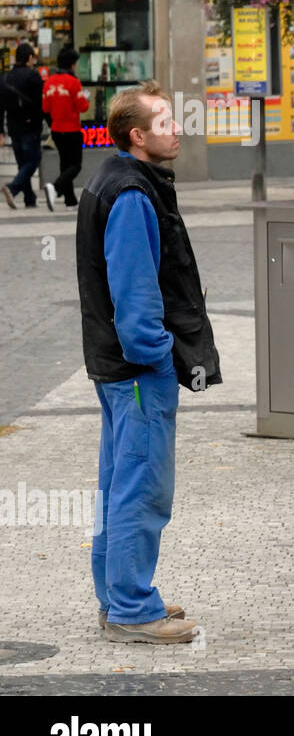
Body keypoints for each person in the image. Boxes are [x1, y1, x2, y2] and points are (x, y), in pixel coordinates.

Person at [76, 81, 222, 644]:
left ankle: (118, 596)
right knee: (141, 488)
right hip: (136, 370)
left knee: (117, 485)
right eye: (164, 122)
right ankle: (133, 609)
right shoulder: (133, 193)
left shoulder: (114, 179)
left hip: (115, 368)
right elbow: (135, 294)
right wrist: (158, 359)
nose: (176, 128)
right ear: (137, 136)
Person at [42, 45, 90, 209]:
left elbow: (45, 108)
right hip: (72, 129)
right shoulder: (73, 82)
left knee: (65, 163)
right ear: (72, 64)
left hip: (56, 130)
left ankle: (70, 199)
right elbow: (83, 107)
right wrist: (86, 97)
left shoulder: (49, 82)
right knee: (75, 165)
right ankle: (55, 188)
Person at [1, 43, 45, 209]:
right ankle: (12, 188)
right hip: (29, 126)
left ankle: (29, 198)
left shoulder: (5, 78)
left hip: (13, 127)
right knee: (33, 160)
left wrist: (0, 130)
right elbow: (40, 103)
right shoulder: (33, 76)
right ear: (29, 58)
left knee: (22, 163)